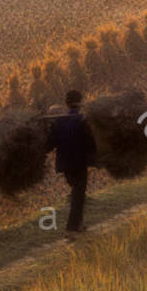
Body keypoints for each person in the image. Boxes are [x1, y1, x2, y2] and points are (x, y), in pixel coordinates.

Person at [47, 90, 96, 233]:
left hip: (65, 164)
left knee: (77, 191)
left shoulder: (59, 121)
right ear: (80, 103)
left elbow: (50, 143)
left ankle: (78, 224)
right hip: (79, 163)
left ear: (67, 104)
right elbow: (90, 142)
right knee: (78, 192)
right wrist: (96, 157)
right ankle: (72, 227)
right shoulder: (83, 120)